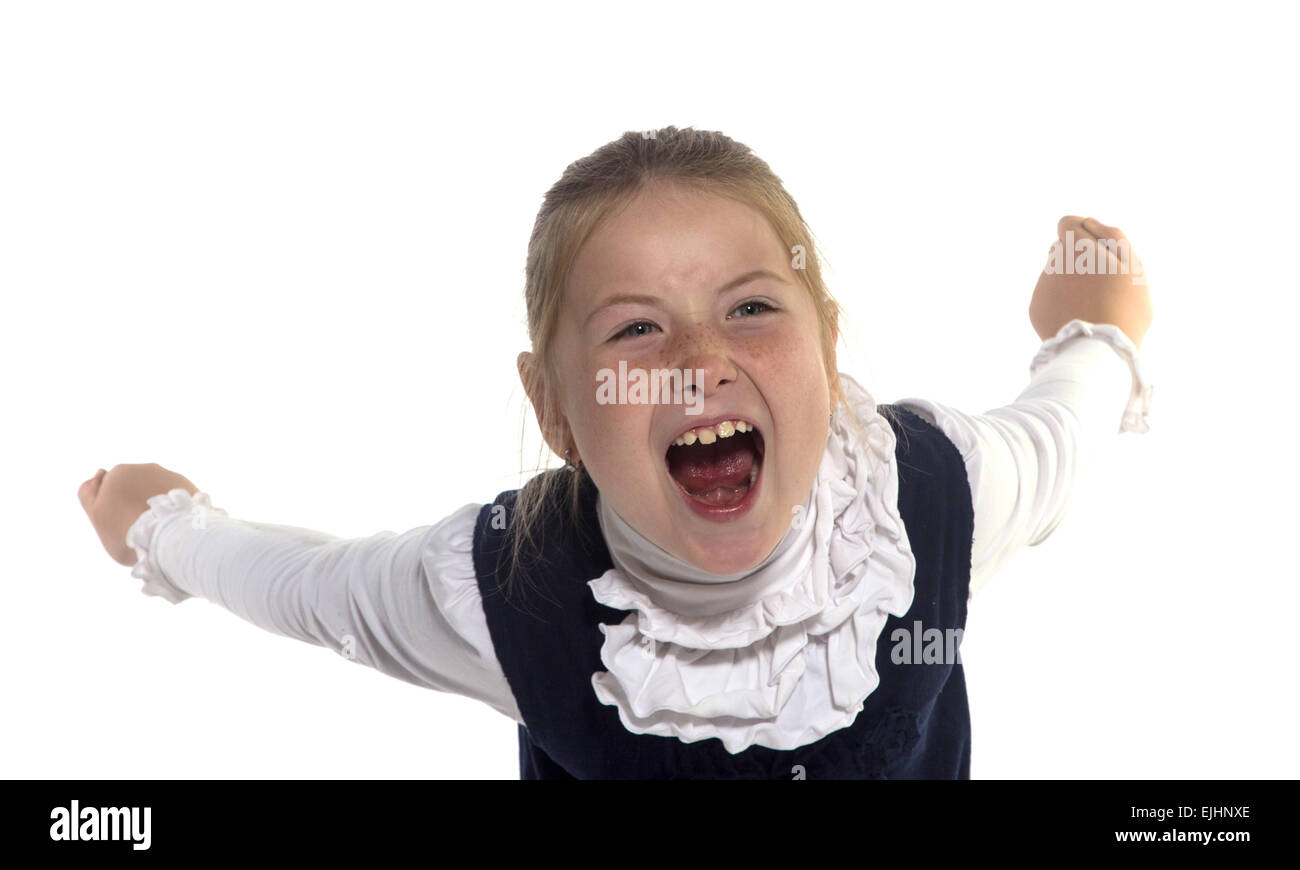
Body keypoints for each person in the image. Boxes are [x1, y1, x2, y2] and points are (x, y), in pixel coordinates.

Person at [77, 126, 1154, 778]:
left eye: (747, 308)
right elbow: (308, 589)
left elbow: (1063, 421)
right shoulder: (493, 596)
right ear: (552, 411)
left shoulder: (931, 500)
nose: (697, 364)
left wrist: (1098, 322)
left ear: (827, 349)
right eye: (635, 328)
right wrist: (166, 529)